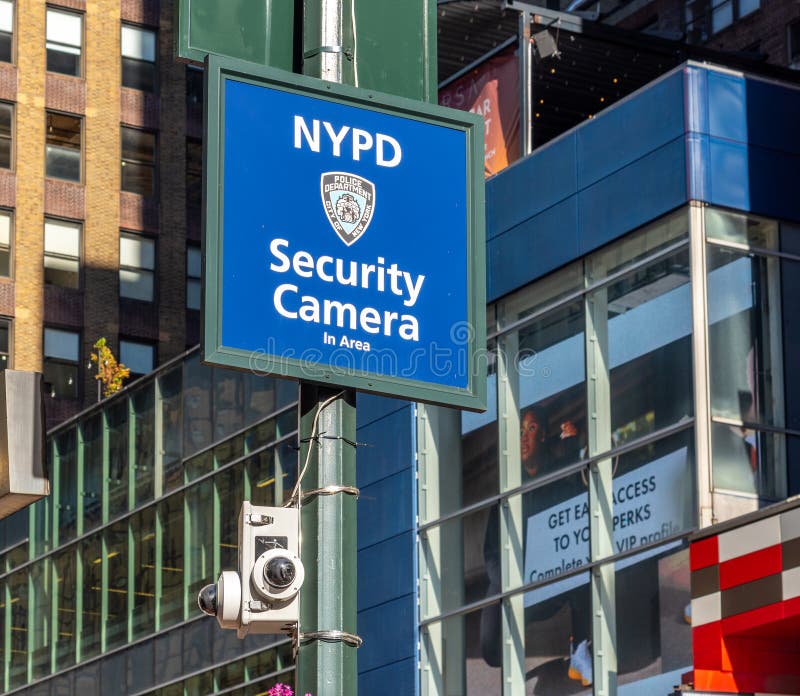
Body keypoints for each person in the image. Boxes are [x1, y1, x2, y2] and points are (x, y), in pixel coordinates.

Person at [480, 406, 592, 687]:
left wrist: (573, 446)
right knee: (490, 651)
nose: (523, 438)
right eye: (519, 432)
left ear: (543, 435)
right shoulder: (507, 491)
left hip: (550, 578)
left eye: (530, 429)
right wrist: (511, 585)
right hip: (517, 585)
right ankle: (509, 644)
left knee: (584, 563)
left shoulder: (556, 477)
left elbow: (579, 507)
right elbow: (491, 554)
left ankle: (580, 650)